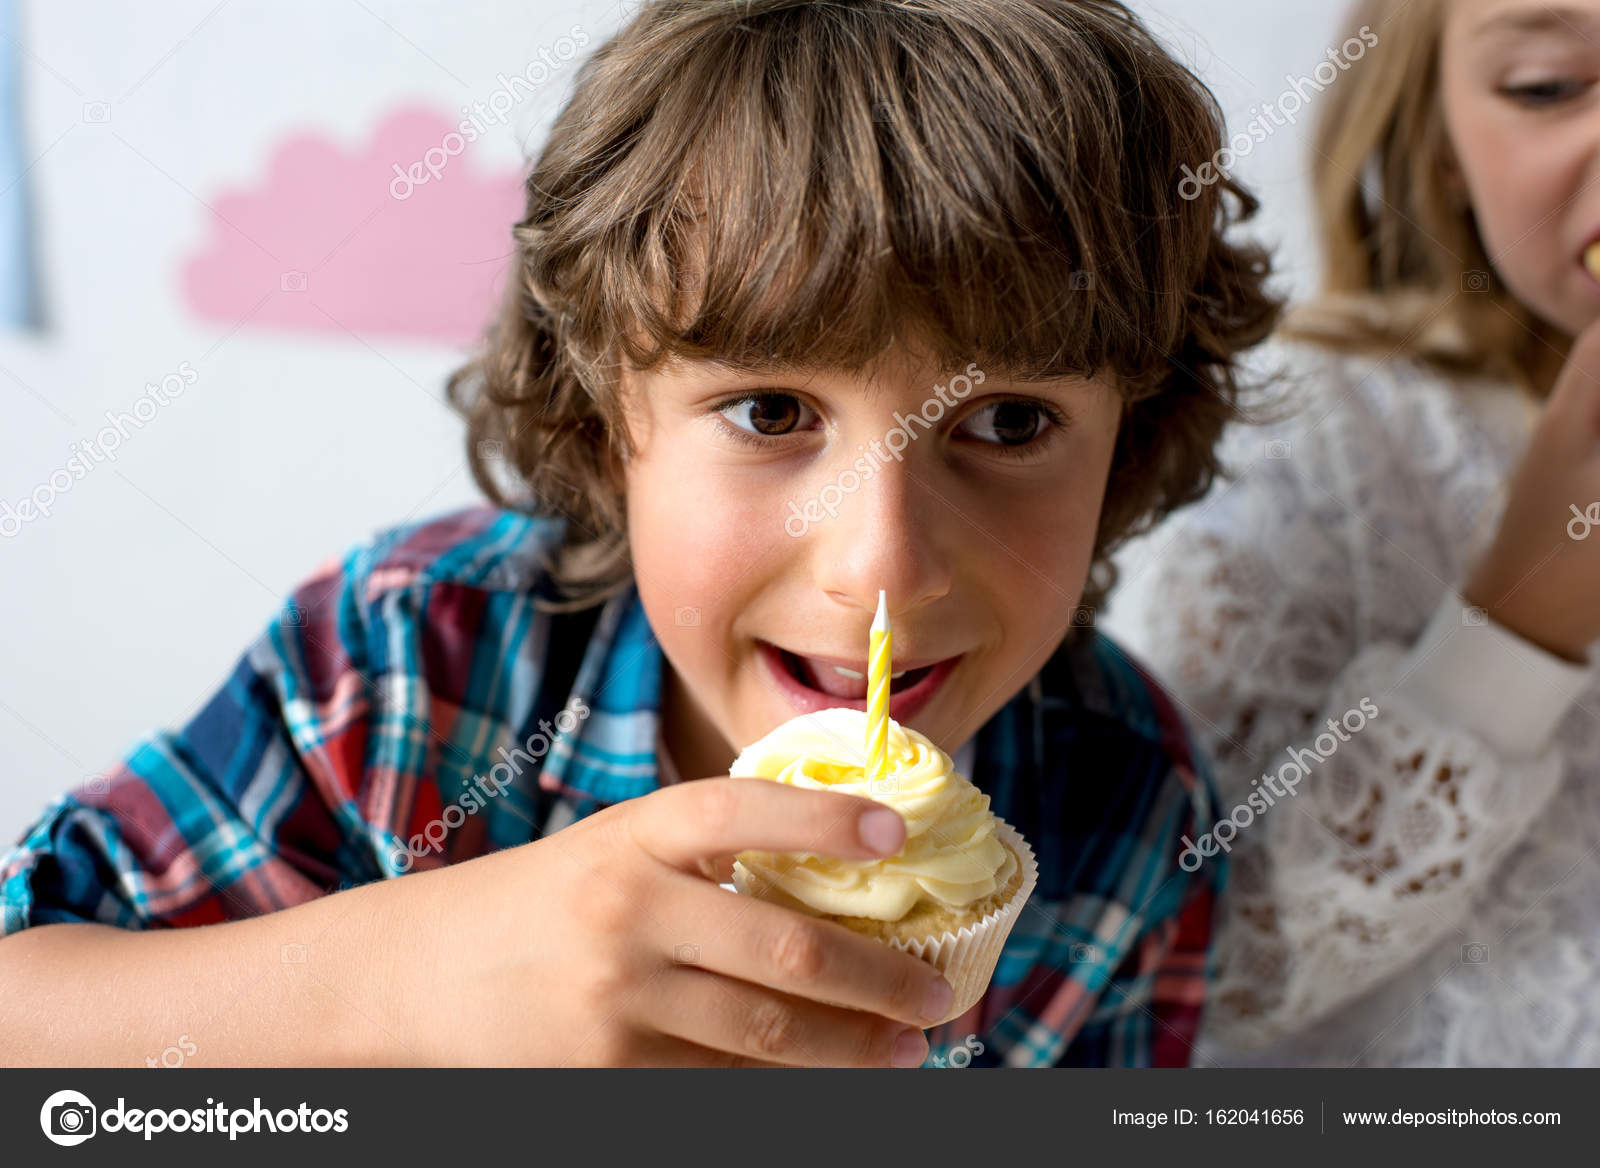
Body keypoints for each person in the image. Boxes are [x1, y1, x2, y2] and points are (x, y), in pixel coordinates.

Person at [0, 0, 1277, 1067]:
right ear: (605, 419)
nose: (882, 569)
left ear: (1131, 441)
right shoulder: (405, 665)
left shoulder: (1129, 813)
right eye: (771, 411)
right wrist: (412, 974)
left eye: (1007, 422)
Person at [1110, 0, 1600, 1066]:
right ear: (1440, 141)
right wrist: (1518, 626)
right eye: (1548, 86)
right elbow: (1191, 969)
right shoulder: (1315, 437)